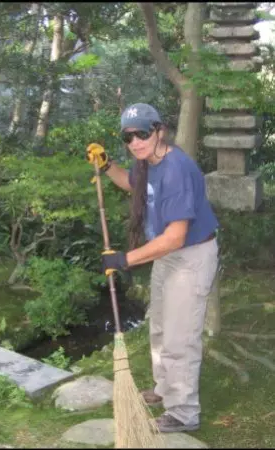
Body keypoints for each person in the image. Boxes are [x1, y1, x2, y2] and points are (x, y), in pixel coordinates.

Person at [86, 103, 219, 433]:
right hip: (168, 255)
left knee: (179, 337)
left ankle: (184, 412)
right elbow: (132, 184)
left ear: (160, 131)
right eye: (127, 137)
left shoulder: (176, 169)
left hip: (190, 256)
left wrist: (124, 260)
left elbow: (176, 237)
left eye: (141, 133)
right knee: (159, 327)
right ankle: (164, 390)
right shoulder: (146, 163)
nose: (134, 142)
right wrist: (106, 166)